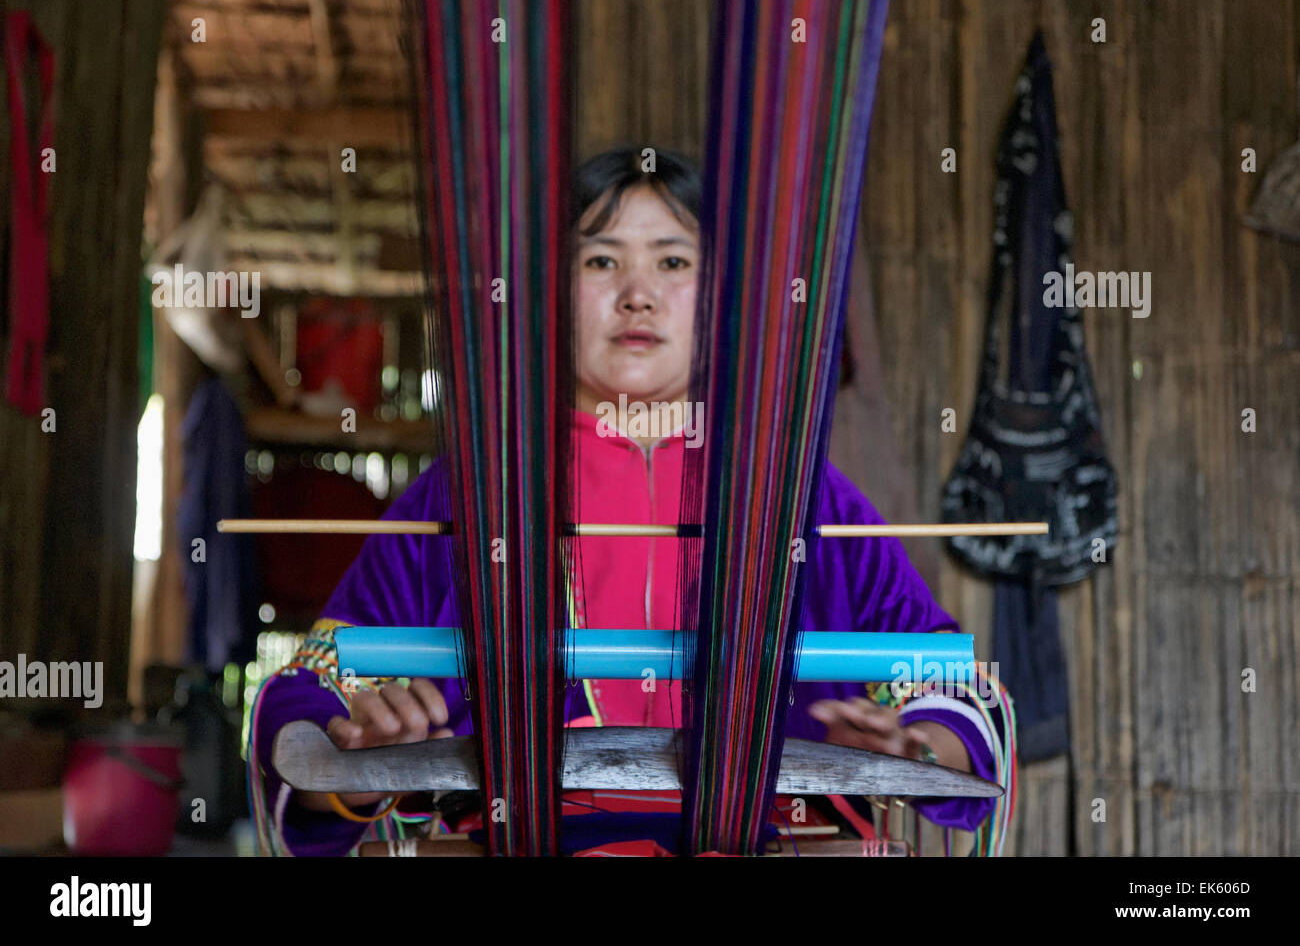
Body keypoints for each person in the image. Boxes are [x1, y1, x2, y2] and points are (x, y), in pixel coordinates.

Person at [248, 147, 1007, 856]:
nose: (637, 295)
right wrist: (351, 757)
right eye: (601, 260)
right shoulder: (464, 501)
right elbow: (304, 701)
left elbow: (952, 689)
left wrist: (911, 749)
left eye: (673, 263)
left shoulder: (804, 504)